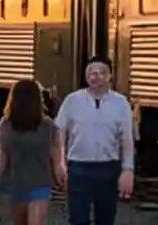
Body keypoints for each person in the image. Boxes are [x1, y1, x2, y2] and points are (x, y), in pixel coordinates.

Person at [54, 55, 135, 225]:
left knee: (106, 219)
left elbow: (126, 139)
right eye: (91, 72)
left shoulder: (121, 103)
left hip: (108, 167)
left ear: (110, 76)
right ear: (86, 75)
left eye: (102, 72)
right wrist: (60, 163)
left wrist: (128, 170)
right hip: (78, 167)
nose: (96, 76)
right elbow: (59, 132)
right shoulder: (72, 101)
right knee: (78, 218)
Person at [0, 79, 61, 225]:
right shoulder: (47, 126)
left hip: (21, 184)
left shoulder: (6, 125)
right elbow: (55, 155)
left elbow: (2, 157)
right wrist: (60, 175)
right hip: (33, 184)